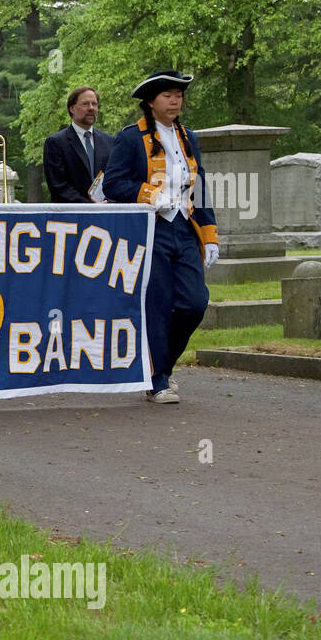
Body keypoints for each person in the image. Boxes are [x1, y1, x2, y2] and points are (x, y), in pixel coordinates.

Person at [103, 70, 218, 405]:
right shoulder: (130, 138)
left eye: (179, 95)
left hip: (184, 227)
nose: (175, 100)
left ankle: (162, 365)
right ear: (151, 102)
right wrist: (149, 195)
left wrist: (209, 234)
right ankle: (157, 381)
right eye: (167, 95)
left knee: (194, 303)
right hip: (150, 229)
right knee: (157, 305)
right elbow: (113, 184)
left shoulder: (188, 137)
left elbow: (201, 188)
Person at [43, 86, 115, 203]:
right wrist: (89, 205)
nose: (91, 108)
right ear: (72, 108)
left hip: (105, 212)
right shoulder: (56, 143)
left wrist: (107, 203)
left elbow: (115, 179)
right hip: (70, 215)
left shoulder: (110, 142)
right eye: (85, 104)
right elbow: (58, 185)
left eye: (94, 104)